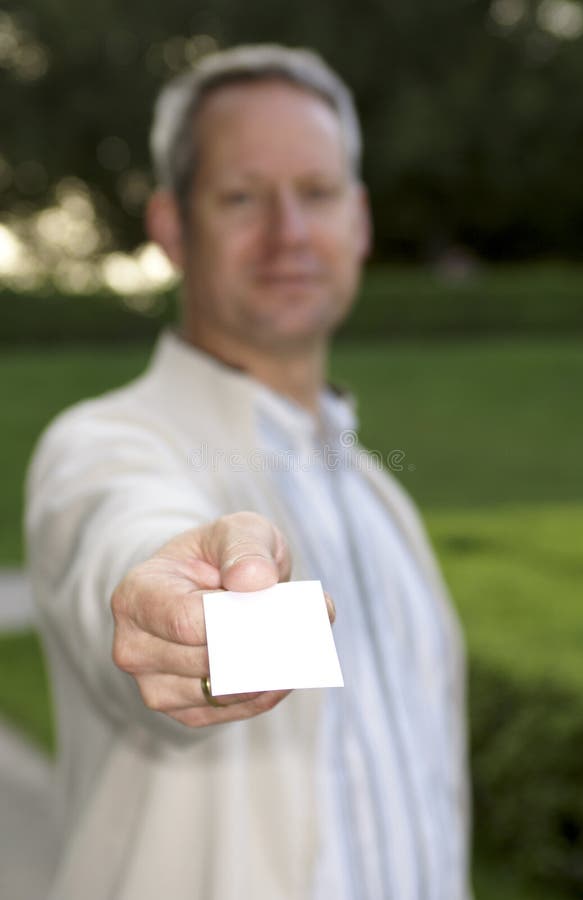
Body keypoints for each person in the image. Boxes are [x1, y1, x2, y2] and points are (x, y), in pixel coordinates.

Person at [26, 44, 471, 900]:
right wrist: (165, 605)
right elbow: (118, 526)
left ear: (361, 220)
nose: (289, 232)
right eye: (241, 197)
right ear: (170, 227)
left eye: (317, 193)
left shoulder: (382, 493)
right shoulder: (106, 443)